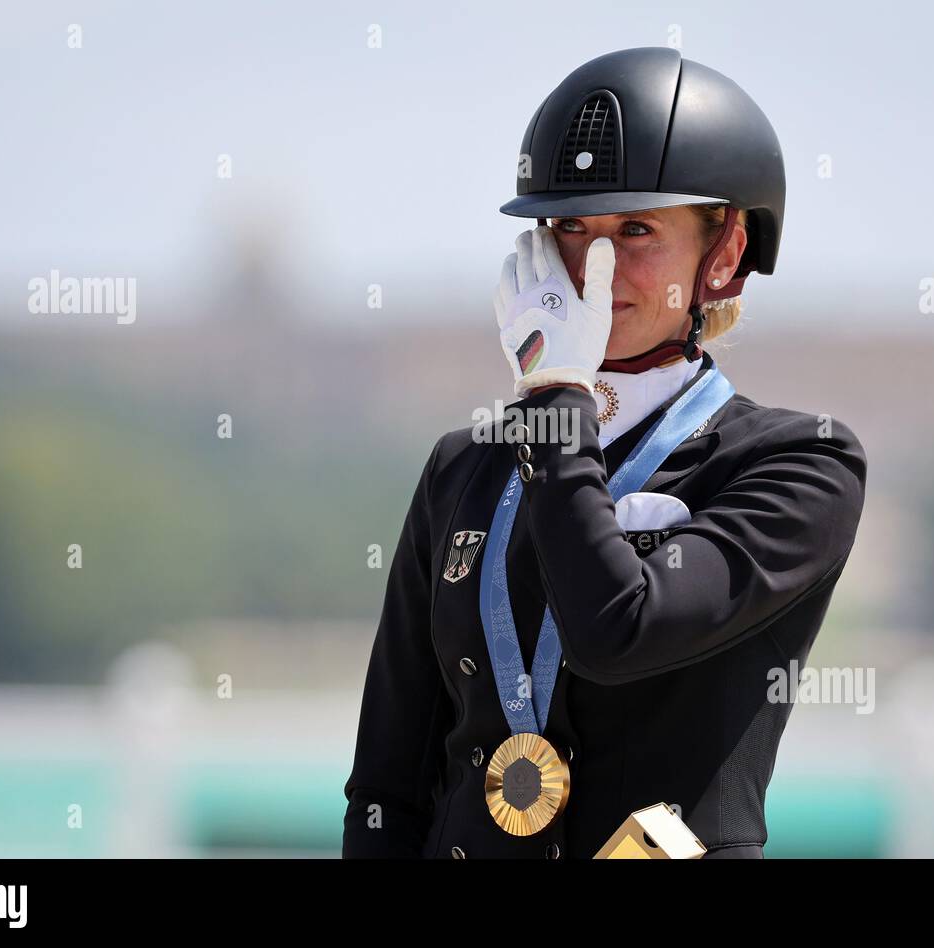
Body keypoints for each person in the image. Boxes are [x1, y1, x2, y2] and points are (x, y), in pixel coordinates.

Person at [342, 46, 867, 859]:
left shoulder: (801, 465)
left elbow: (615, 631)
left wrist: (557, 396)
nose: (593, 268)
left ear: (723, 253)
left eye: (635, 230)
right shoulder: (463, 467)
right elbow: (389, 782)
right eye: (570, 231)